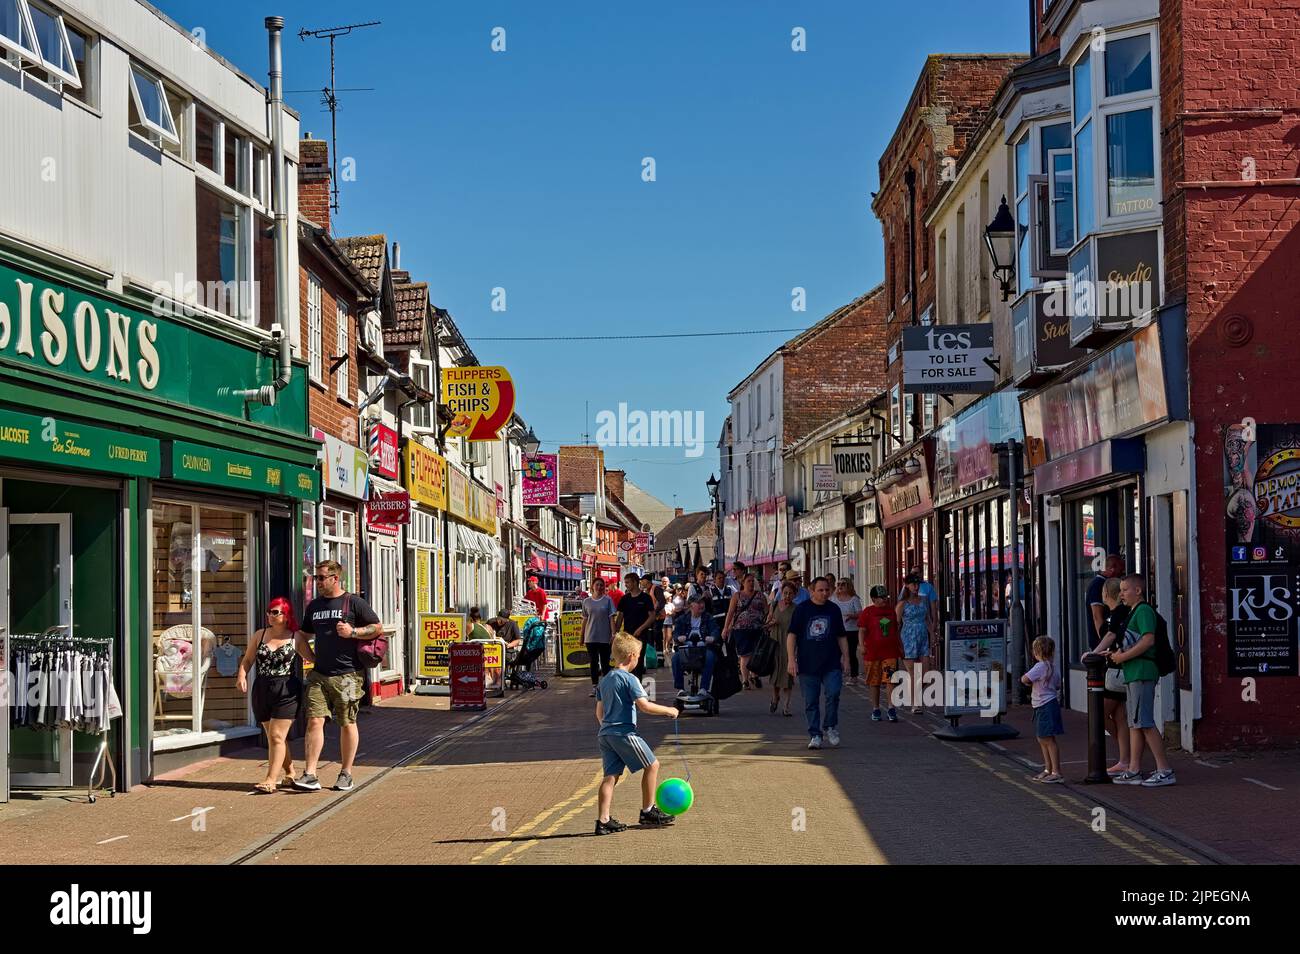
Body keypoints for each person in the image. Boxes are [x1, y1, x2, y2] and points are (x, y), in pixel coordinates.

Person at [294, 560, 383, 793]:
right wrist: (309, 656)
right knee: (314, 720)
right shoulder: (314, 606)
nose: (318, 582)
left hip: (348, 675)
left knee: (347, 722)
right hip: (319, 674)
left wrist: (353, 632)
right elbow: (302, 634)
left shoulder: (353, 602)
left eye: (322, 578)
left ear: (335, 578)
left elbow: (377, 627)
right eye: (316, 578)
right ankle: (310, 774)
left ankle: (346, 773)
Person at [594, 633, 681, 834]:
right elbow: (644, 706)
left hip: (605, 733)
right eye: (639, 655)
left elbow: (598, 711)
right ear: (632, 655)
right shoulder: (630, 679)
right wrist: (669, 710)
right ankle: (648, 810)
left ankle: (603, 821)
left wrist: (606, 727)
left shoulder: (605, 679)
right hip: (623, 732)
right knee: (652, 764)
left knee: (610, 776)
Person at [1107, 575, 1176, 787]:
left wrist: (1121, 657)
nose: (1121, 594)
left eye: (1125, 589)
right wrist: (1115, 654)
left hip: (1142, 672)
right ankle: (1134, 769)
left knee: (1144, 722)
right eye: (1120, 590)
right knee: (1135, 723)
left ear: (1138, 590)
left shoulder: (1144, 610)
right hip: (1133, 672)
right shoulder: (1133, 612)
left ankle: (1164, 769)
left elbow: (1148, 640)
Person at [237, 597, 306, 793]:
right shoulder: (260, 634)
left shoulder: (295, 637)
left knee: (276, 736)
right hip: (262, 689)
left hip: (287, 689)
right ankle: (291, 772)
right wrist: (242, 675)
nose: (270, 615)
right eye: (269, 612)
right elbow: (248, 658)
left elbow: (313, 658)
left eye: (276, 612)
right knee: (275, 737)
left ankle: (270, 780)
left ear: (286, 615)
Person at [786, 577, 850, 750]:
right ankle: (815, 734)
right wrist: (791, 660)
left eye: (827, 590)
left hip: (831, 662)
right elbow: (791, 636)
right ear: (811, 591)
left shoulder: (834, 609)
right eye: (820, 590)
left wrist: (846, 658)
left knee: (833, 693)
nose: (824, 593)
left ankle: (830, 726)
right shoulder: (802, 610)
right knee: (811, 701)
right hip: (808, 663)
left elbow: (841, 636)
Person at [1087, 578, 1132, 775]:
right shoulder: (1114, 614)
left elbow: (1111, 637)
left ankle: (1129, 752)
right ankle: (1126, 758)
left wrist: (1094, 652)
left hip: (1117, 671)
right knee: (1119, 716)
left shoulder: (1118, 614)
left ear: (1106, 594)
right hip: (1114, 670)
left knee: (1099, 713)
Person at [858, 585, 903, 722]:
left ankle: (891, 707)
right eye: (881, 597)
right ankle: (876, 708)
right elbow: (862, 630)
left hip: (890, 651)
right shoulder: (868, 612)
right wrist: (861, 645)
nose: (884, 600)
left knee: (891, 680)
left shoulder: (891, 611)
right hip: (873, 652)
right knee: (874, 681)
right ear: (873, 599)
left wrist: (900, 647)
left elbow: (895, 631)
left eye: (885, 597)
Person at [1022, 636, 1063, 783]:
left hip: (1044, 705)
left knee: (1048, 739)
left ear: (1036, 651)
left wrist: (1030, 683)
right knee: (1042, 737)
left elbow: (1024, 679)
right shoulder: (1054, 667)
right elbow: (1058, 686)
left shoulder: (1039, 667)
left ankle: (1056, 772)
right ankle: (1048, 768)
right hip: (1047, 704)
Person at [722, 573, 769, 690]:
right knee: (745, 654)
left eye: (753, 581)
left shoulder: (760, 596)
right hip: (741, 629)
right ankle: (745, 679)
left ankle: (755, 675)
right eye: (749, 581)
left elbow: (767, 611)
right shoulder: (737, 596)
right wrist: (726, 628)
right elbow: (730, 612)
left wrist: (768, 623)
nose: (751, 583)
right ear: (743, 583)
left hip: (757, 629)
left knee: (756, 653)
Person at [672, 593, 721, 695]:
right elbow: (676, 633)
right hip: (687, 649)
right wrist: (678, 637)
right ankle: (680, 689)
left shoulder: (708, 618)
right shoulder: (682, 619)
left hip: (703, 648)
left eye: (702, 602)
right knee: (675, 658)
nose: (701, 605)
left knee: (710, 657)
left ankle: (703, 688)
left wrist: (712, 637)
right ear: (690, 605)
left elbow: (715, 630)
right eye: (698, 603)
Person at [896, 574, 932, 714]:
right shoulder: (902, 604)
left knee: (926, 674)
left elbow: (928, 619)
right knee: (913, 673)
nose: (916, 587)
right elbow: (896, 624)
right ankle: (915, 703)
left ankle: (911, 691)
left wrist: (933, 635)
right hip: (908, 638)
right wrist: (897, 643)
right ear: (907, 585)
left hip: (923, 638)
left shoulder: (923, 600)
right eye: (913, 584)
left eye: (918, 584)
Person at [765, 580, 798, 716]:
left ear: (794, 595)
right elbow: (766, 624)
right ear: (781, 593)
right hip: (775, 642)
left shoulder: (796, 609)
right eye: (785, 593)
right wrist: (771, 623)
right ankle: (775, 697)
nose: (787, 596)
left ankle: (786, 706)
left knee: (788, 676)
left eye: (790, 593)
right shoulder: (774, 605)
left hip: (788, 645)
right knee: (775, 673)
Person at [616, 571, 657, 678]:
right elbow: (620, 617)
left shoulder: (645, 598)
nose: (626, 585)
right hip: (627, 635)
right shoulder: (625, 599)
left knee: (637, 662)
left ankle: (637, 686)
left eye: (628, 582)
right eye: (625, 583)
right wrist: (615, 632)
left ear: (635, 582)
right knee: (627, 662)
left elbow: (652, 616)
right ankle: (629, 685)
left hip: (641, 635)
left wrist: (641, 628)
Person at [583, 578, 617, 698]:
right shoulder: (586, 601)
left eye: (602, 585)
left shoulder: (608, 600)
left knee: (605, 662)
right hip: (590, 637)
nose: (599, 587)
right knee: (593, 662)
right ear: (592, 586)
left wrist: (613, 634)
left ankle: (606, 687)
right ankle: (595, 686)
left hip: (605, 637)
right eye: (597, 585)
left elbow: (611, 618)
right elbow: (585, 620)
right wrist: (581, 636)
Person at [1087, 554, 1126, 649]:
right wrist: (1104, 643)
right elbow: (1097, 617)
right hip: (1101, 643)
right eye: (1120, 571)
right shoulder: (1098, 585)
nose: (1122, 574)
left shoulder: (1100, 583)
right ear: (1112, 569)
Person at [831, 579, 863, 683]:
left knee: (851, 653)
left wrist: (852, 616)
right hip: (837, 630)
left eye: (843, 584)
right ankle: (836, 674)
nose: (840, 586)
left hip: (851, 630)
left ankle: (854, 676)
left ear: (848, 586)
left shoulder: (854, 599)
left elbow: (860, 614)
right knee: (836, 653)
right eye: (838, 584)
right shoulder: (834, 599)